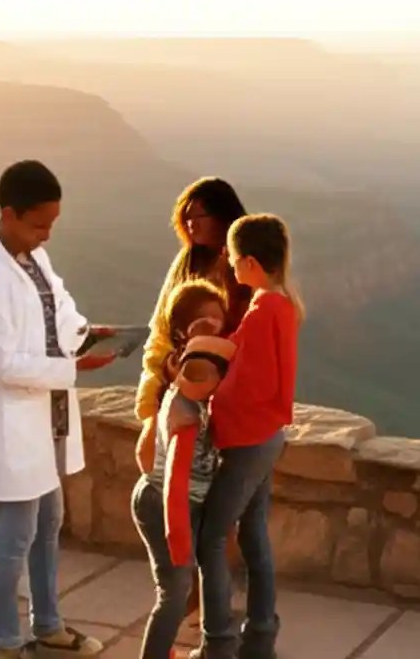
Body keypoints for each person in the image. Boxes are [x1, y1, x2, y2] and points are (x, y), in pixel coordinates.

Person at [0, 159, 116, 657]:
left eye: (52, 224)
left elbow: (60, 306)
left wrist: (87, 332)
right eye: (38, 224)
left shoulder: (33, 259)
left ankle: (49, 624)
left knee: (50, 520)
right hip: (14, 417)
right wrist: (74, 369)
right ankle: (3, 638)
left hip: (48, 414)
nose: (46, 235)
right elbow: (3, 363)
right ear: (8, 213)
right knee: (16, 531)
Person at [180, 214, 303, 659]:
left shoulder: (265, 307)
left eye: (234, 261)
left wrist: (203, 393)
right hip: (266, 436)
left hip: (248, 441)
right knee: (253, 537)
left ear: (250, 261)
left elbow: (245, 381)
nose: (230, 269)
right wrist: (216, 340)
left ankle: (218, 645)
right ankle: (260, 638)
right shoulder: (280, 303)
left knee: (211, 538)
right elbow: (245, 354)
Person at [132, 280, 231, 659]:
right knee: (173, 591)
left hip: (167, 499)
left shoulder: (186, 391)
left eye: (218, 323)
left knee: (174, 588)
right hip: (165, 502)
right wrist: (180, 540)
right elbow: (174, 481)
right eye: (204, 326)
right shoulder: (186, 415)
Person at [135, 177, 250, 474]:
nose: (190, 225)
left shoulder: (245, 268)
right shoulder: (184, 265)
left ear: (223, 216)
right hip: (180, 394)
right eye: (185, 218)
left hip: (228, 404)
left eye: (199, 216)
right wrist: (149, 412)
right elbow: (160, 336)